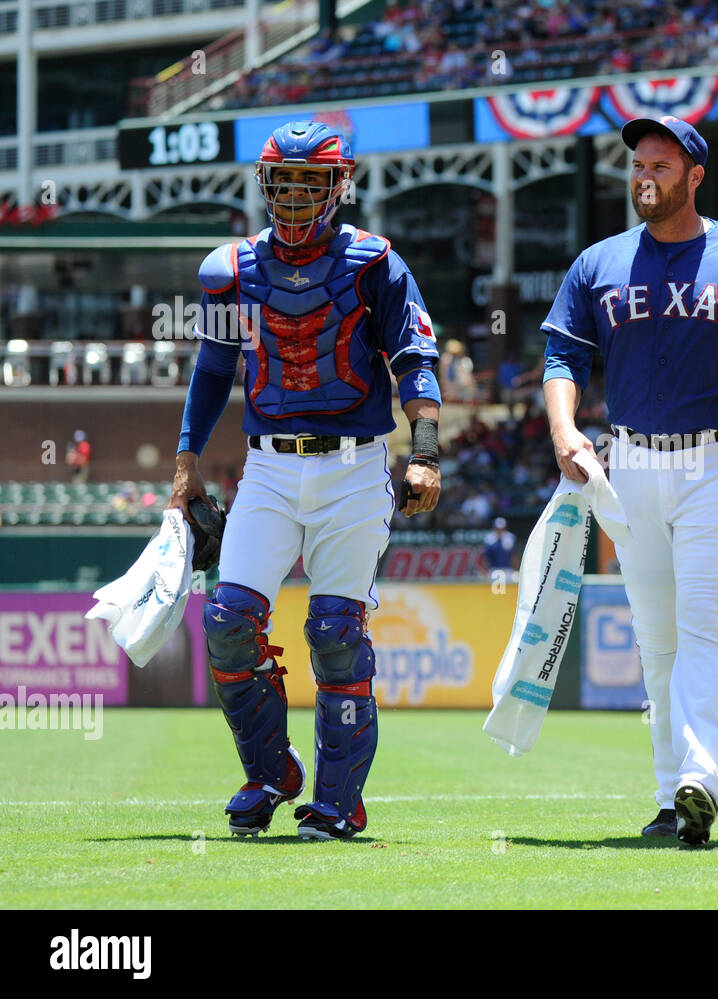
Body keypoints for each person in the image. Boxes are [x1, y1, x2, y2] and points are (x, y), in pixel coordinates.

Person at [541, 116, 718, 845]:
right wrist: (565, 428)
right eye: (638, 164)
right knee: (654, 637)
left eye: (661, 166)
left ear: (695, 176)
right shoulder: (598, 263)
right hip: (629, 462)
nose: (645, 176)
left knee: (702, 622)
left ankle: (702, 776)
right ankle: (672, 795)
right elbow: (562, 358)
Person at [167, 121, 443, 840]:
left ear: (337, 186)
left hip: (354, 466)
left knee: (335, 632)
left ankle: (339, 801)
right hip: (267, 466)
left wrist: (427, 451)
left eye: (308, 183)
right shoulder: (231, 269)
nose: (292, 197)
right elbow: (213, 369)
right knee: (227, 622)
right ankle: (269, 771)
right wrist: (187, 458)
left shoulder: (375, 263)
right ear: (264, 185)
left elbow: (415, 359)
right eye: (281, 183)